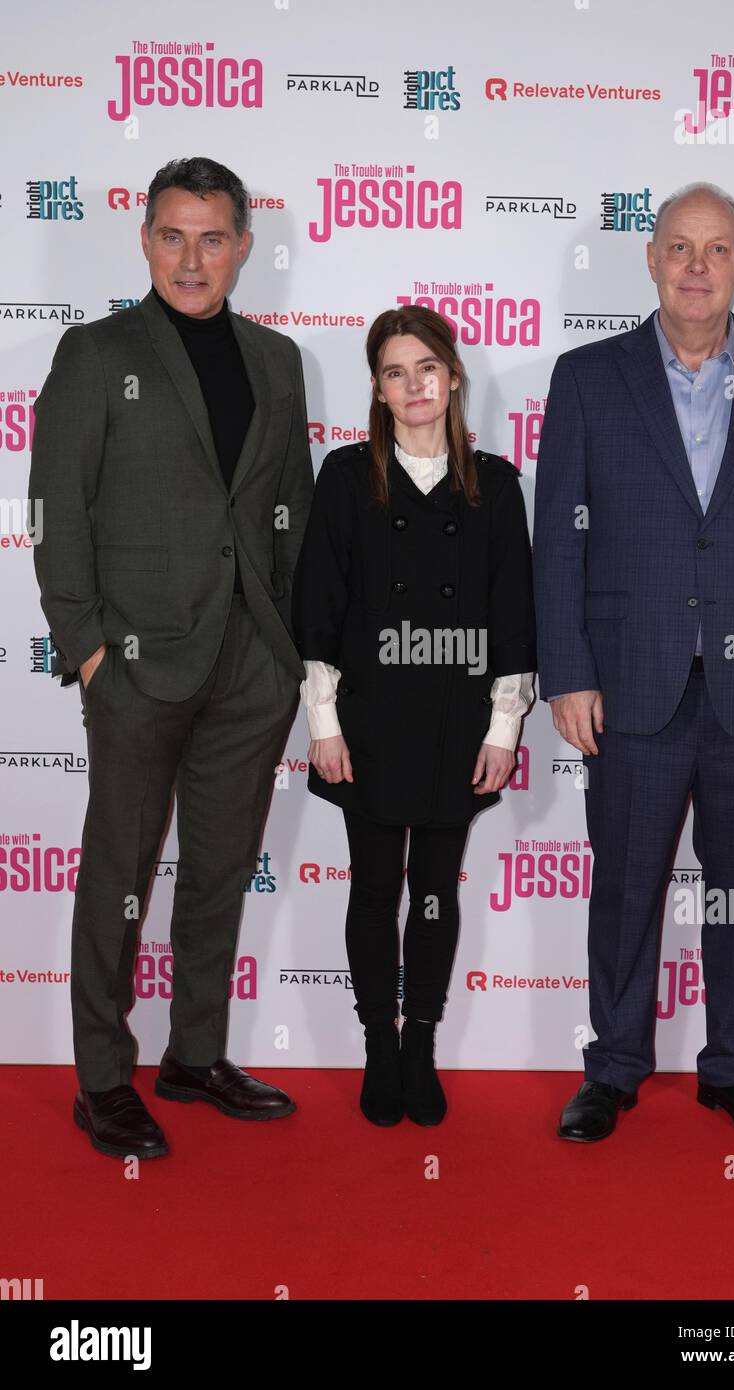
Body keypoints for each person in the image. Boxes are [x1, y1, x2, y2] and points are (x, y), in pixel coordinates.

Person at [533, 181, 734, 1144]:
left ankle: (733, 1070)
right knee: (626, 885)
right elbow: (558, 544)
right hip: (630, 683)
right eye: (680, 246)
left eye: (717, 250)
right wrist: (567, 671)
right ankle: (614, 1068)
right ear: (651, 259)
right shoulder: (587, 378)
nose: (698, 267)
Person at [28, 156, 314, 1161]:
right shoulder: (96, 353)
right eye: (172, 236)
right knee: (120, 872)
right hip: (137, 666)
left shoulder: (277, 361)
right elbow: (56, 512)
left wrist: (290, 651)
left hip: (251, 666)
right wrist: (88, 652)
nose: (192, 259)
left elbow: (291, 511)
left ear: (243, 246)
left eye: (212, 238)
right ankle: (103, 1079)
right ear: (145, 240)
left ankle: (195, 1055)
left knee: (220, 872)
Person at [291, 305, 536, 1126]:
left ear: (453, 375)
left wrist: (503, 729)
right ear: (377, 388)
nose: (413, 385)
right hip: (367, 717)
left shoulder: (494, 484)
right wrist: (323, 721)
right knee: (372, 887)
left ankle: (421, 1043)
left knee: (434, 889)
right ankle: (377, 1046)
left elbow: (513, 616)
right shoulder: (346, 475)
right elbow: (318, 605)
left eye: (426, 368)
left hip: (456, 721)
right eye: (395, 373)